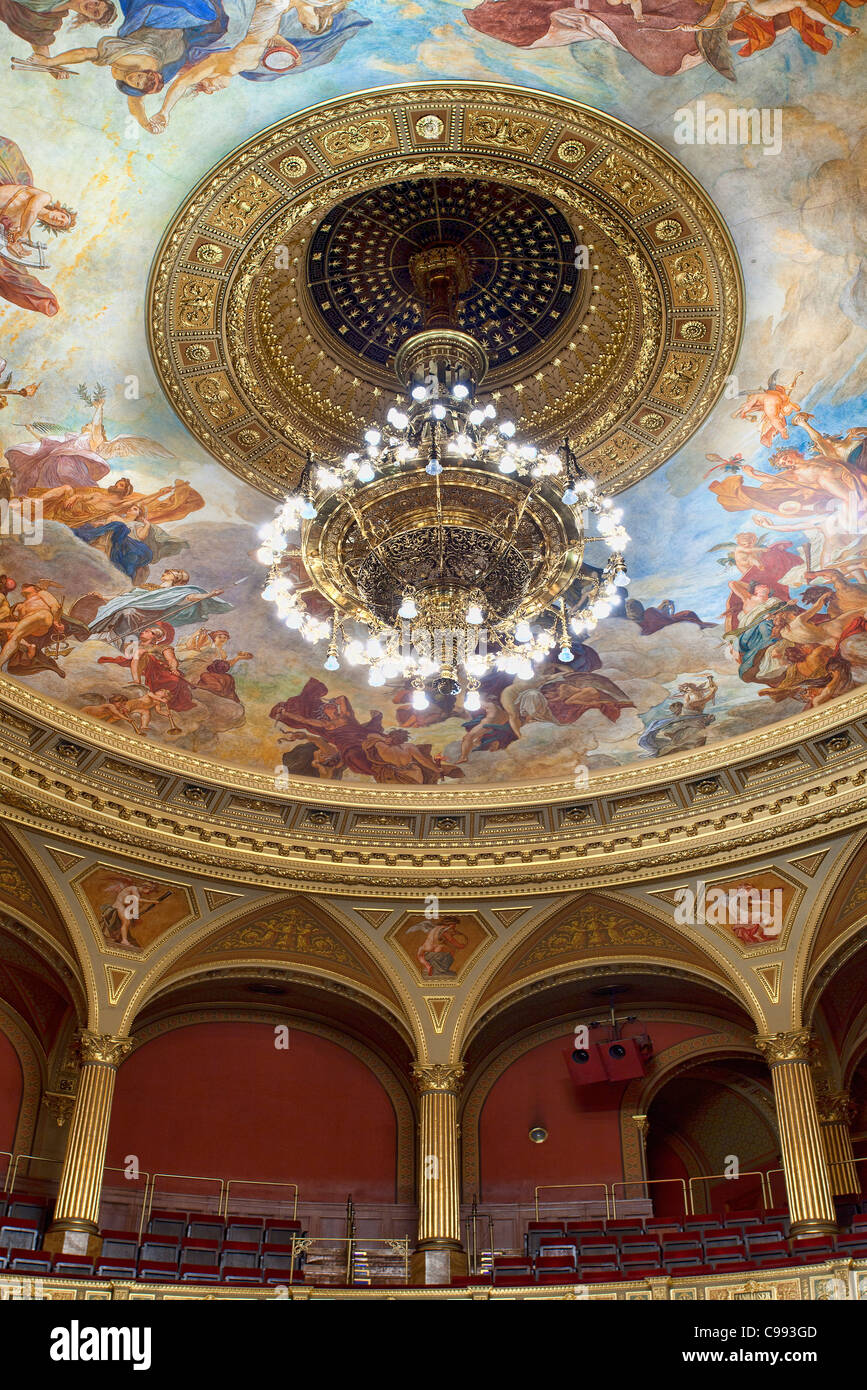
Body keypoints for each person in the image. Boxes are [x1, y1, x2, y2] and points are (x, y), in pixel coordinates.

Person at [0, 0, 115, 58]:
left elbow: (39, 42)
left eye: (95, 12)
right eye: (96, 3)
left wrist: (50, 66)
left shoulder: (52, 22)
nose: (91, 6)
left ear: (90, 19)